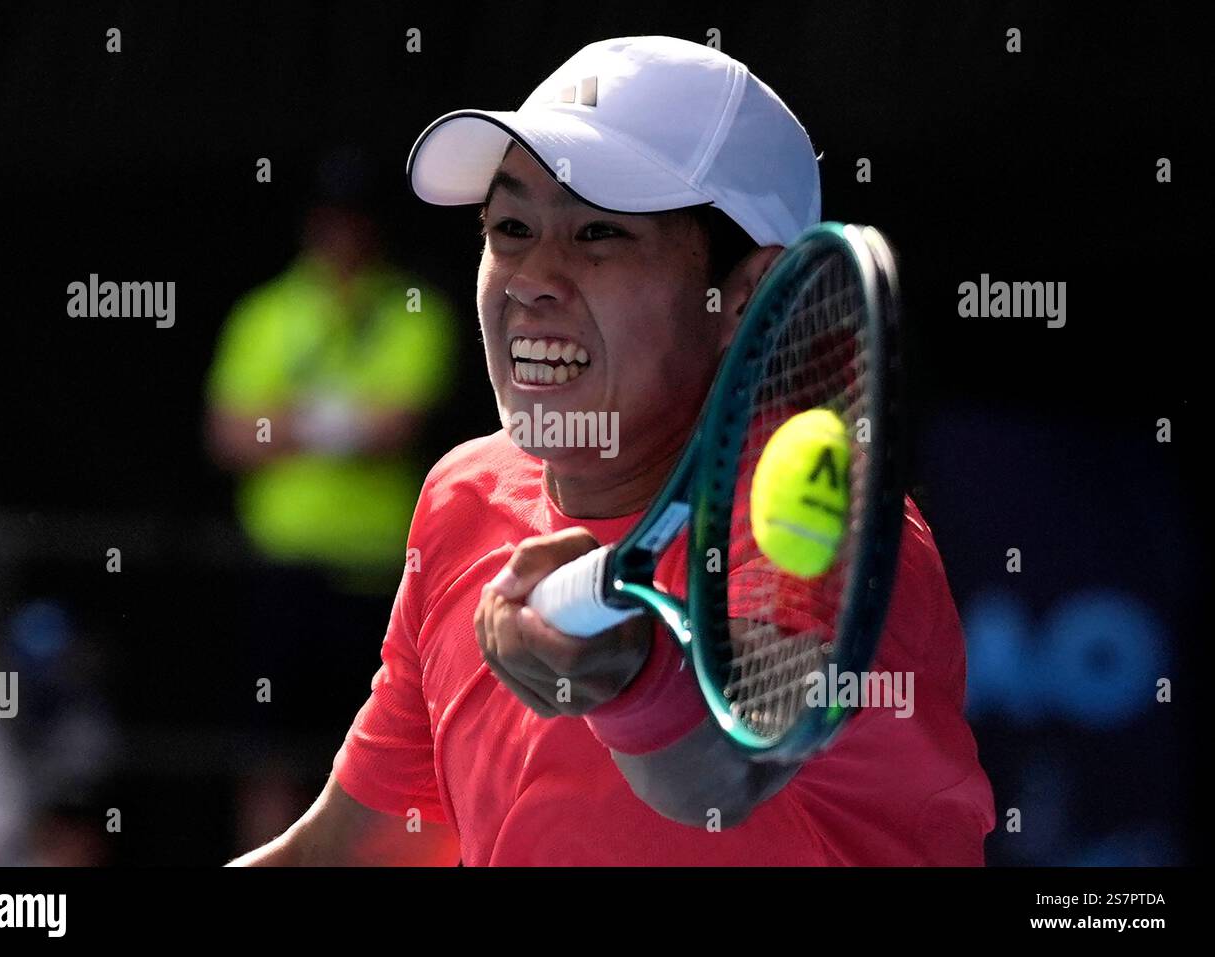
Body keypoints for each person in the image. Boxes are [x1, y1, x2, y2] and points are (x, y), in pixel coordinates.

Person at [230, 35, 994, 866]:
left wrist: (632, 679)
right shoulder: (464, 496)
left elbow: (720, 777)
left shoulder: (815, 508)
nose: (531, 277)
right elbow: (338, 855)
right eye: (511, 226)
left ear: (745, 298)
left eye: (597, 233)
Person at [205, 148, 456, 731]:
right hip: (279, 566)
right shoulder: (263, 313)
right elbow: (229, 436)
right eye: (330, 216)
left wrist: (287, 420)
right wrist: (347, 421)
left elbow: (396, 427)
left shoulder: (415, 310)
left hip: (377, 570)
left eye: (355, 217)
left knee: (377, 749)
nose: (341, 233)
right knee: (264, 745)